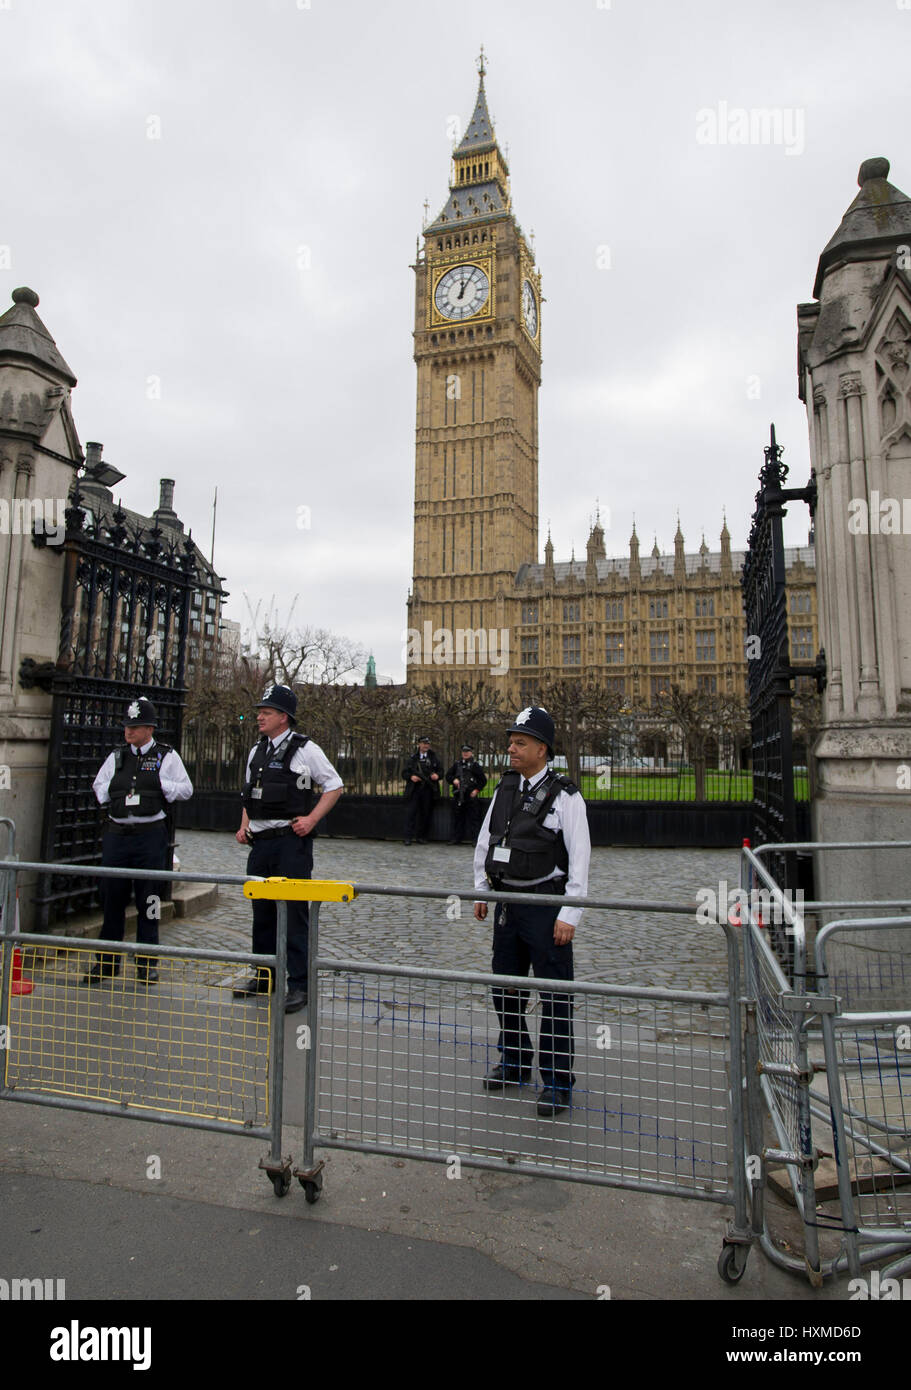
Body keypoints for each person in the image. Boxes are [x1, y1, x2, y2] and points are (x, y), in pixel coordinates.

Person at [473, 706, 590, 1118]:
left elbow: (580, 859)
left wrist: (569, 914)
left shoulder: (567, 796)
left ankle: (558, 1081)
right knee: (506, 989)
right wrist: (481, 888)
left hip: (545, 904)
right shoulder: (506, 787)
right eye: (511, 741)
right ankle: (516, 1061)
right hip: (509, 903)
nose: (512, 748)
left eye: (520, 742)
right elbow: (487, 840)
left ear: (542, 748)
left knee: (555, 995)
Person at [235, 683, 343, 1014]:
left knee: (295, 915)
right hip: (261, 844)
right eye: (259, 712)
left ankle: (299, 985)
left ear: (284, 717)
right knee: (261, 914)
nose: (259, 717)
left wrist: (311, 820)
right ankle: (264, 976)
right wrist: (244, 825)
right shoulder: (257, 750)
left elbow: (334, 785)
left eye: (266, 712)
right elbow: (249, 793)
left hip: (290, 844)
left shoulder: (306, 750)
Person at [84, 696, 193, 986]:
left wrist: (162, 785)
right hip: (118, 835)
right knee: (112, 900)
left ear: (149, 729)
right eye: (127, 727)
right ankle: (107, 963)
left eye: (135, 727)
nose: (128, 732)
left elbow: (186, 789)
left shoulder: (166, 756)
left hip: (149, 837)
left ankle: (146, 963)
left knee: (150, 900)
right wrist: (113, 793)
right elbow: (99, 787)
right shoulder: (117, 756)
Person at [401, 736, 442, 844]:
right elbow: (404, 773)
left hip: (428, 790)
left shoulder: (433, 757)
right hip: (415, 790)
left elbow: (441, 771)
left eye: (427, 744)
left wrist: (437, 776)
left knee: (425, 814)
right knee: (411, 814)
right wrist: (411, 777)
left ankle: (421, 837)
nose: (426, 746)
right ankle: (408, 837)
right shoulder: (412, 758)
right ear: (419, 744)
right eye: (424, 743)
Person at [445, 744, 487, 844]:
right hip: (458, 795)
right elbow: (448, 776)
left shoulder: (475, 765)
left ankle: (475, 840)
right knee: (457, 818)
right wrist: (454, 780)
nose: (465, 753)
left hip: (470, 795)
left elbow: (483, 780)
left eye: (467, 751)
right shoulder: (457, 764)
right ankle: (456, 838)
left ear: (471, 753)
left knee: (474, 818)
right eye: (464, 751)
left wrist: (476, 790)